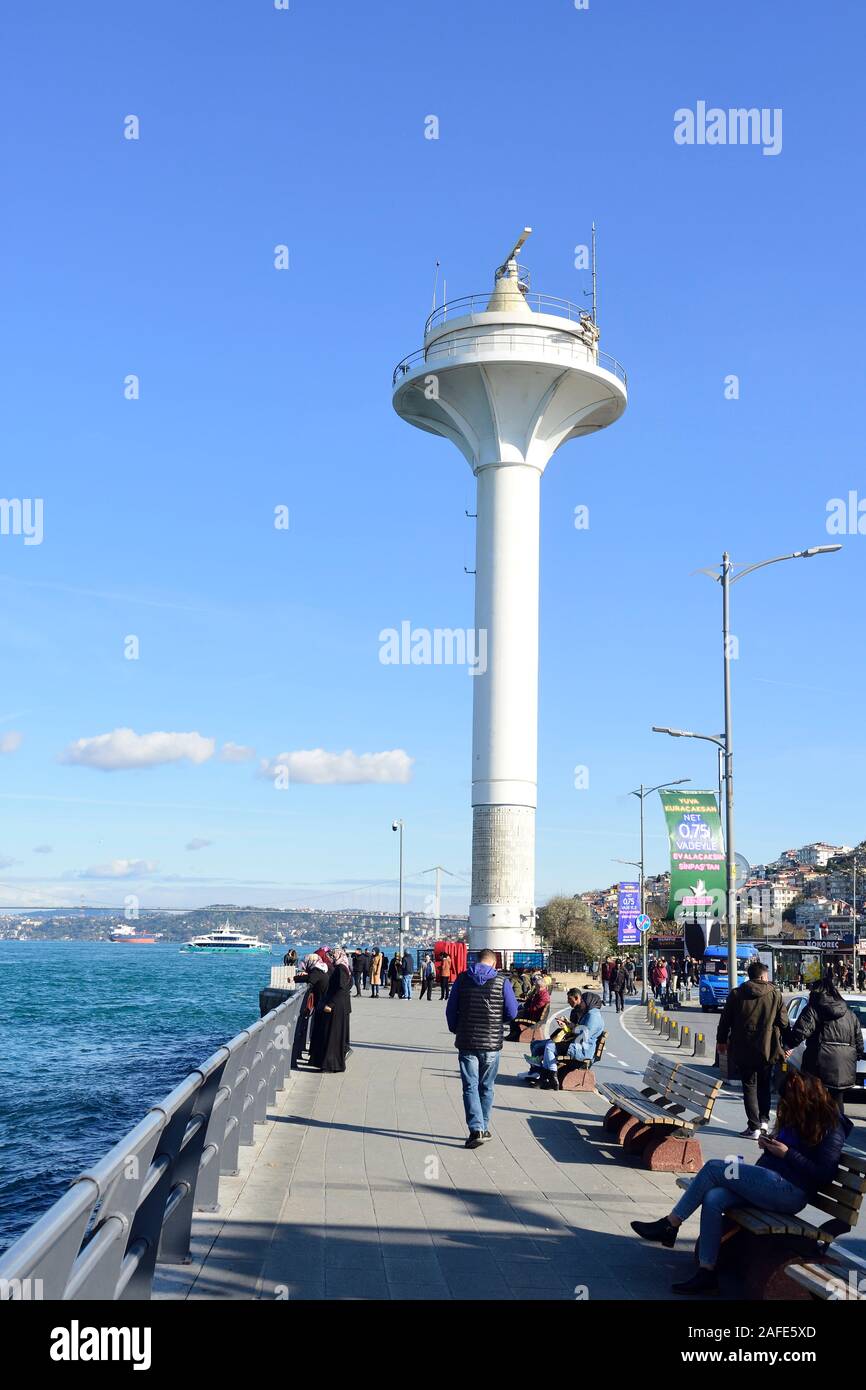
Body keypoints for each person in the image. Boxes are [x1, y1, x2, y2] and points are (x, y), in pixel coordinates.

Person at [631, 1071, 851, 1295]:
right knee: (714, 1197)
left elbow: (823, 1174)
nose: (785, 1104)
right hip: (770, 1183)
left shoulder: (832, 1126)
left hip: (790, 1192)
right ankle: (707, 1272)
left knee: (714, 1168)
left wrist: (787, 1154)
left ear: (805, 1097)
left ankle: (670, 1224)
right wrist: (770, 1146)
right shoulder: (800, 1115)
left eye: (788, 1099)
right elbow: (781, 1155)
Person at [446, 948, 518, 1148]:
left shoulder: (462, 979)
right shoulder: (502, 982)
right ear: (494, 963)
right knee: (486, 1086)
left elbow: (451, 1009)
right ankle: (483, 1127)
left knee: (470, 1086)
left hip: (467, 1040)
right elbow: (512, 1012)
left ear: (476, 961)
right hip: (491, 1043)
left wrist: (456, 1028)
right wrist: (497, 1022)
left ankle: (476, 1128)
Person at [717, 959, 788, 1139]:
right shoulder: (775, 994)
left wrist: (721, 1041)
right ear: (763, 976)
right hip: (768, 1047)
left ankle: (754, 1126)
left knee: (749, 1086)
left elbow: (725, 1021)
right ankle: (764, 1121)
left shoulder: (736, 994)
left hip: (743, 1047)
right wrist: (787, 1045)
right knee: (765, 1084)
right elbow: (784, 1023)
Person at [783, 978, 864, 1115]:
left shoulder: (813, 1009)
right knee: (838, 1099)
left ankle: (816, 1130)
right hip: (844, 1063)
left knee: (813, 1097)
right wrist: (858, 1055)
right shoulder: (849, 1014)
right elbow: (858, 1040)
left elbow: (800, 1032)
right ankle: (838, 1132)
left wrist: (788, 1044)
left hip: (819, 1061)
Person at [525, 989, 604, 1089]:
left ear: (590, 1002)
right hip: (578, 1046)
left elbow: (584, 1034)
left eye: (583, 1001)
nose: (582, 1002)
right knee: (550, 1046)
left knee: (550, 1047)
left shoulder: (593, 1016)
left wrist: (569, 1027)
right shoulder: (590, 1014)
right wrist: (569, 1026)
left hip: (582, 1050)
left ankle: (551, 1079)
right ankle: (546, 1078)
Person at [309, 946, 353, 1072]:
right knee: (336, 1035)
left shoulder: (340, 969)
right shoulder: (345, 968)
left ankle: (330, 1064)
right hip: (341, 1006)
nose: (331, 958)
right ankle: (333, 1063)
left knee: (332, 1035)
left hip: (336, 1007)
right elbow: (348, 986)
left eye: (333, 956)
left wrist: (331, 1004)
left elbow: (340, 988)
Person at [292, 952, 331, 1067]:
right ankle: (315, 1057)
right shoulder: (322, 968)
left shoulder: (317, 971)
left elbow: (310, 979)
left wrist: (294, 978)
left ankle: (315, 1058)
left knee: (318, 1030)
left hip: (321, 1004)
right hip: (324, 1002)